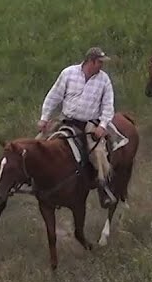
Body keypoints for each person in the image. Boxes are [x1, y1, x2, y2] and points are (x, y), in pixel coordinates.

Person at [38, 47, 118, 206]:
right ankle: (39, 183)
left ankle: (104, 188)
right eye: (100, 62)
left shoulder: (104, 80)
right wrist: (44, 118)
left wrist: (102, 125)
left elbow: (108, 105)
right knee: (40, 146)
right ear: (91, 61)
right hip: (66, 121)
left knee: (98, 152)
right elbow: (53, 96)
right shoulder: (68, 73)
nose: (102, 66)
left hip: (88, 125)